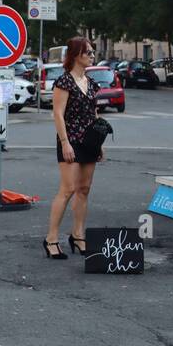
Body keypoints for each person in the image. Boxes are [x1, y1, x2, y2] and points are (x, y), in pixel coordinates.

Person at [44, 36, 104, 260]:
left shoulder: (90, 82)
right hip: (70, 141)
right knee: (68, 189)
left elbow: (94, 113)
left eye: (92, 52)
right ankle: (51, 238)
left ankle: (78, 236)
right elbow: (58, 114)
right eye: (88, 52)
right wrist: (65, 142)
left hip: (89, 141)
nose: (91, 55)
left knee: (84, 189)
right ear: (76, 55)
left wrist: (98, 143)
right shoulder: (64, 81)